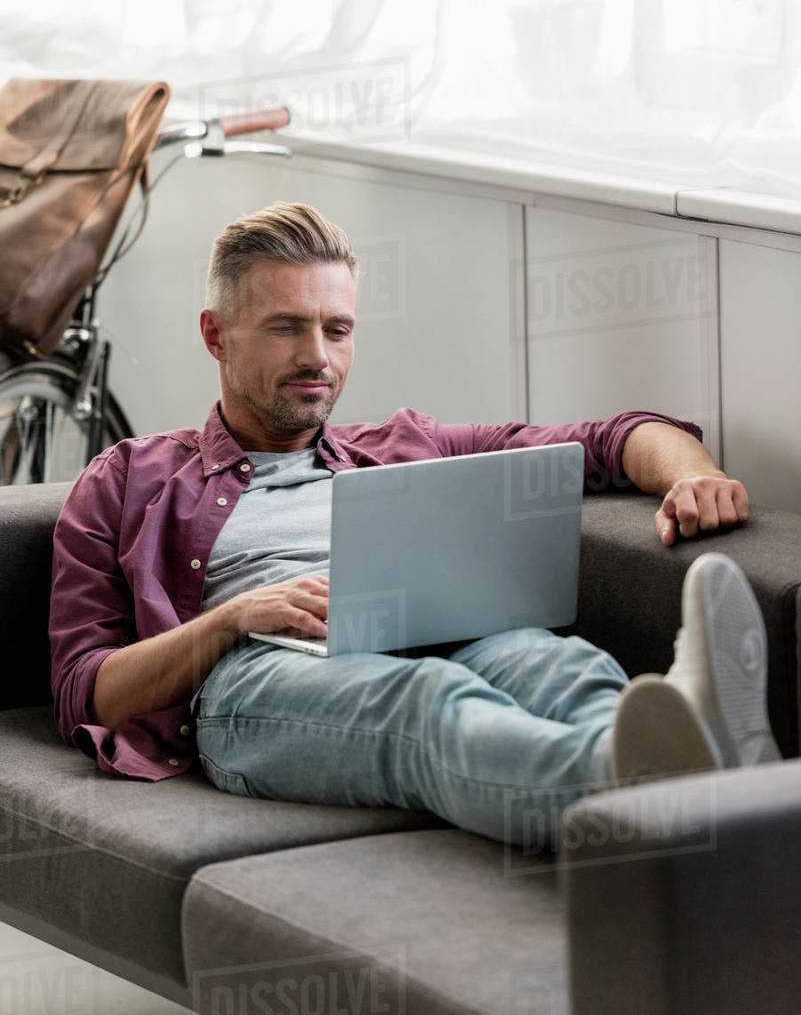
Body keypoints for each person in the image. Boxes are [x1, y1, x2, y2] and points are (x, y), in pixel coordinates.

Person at [49, 203, 780, 848]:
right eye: (285, 328)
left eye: (337, 329)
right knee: (425, 699)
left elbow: (612, 437)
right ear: (216, 335)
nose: (317, 358)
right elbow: (87, 690)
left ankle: (679, 776)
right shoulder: (128, 478)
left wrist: (691, 475)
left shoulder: (403, 445)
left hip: (444, 635)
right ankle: (688, 787)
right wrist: (232, 620)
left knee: (551, 662)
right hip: (258, 678)